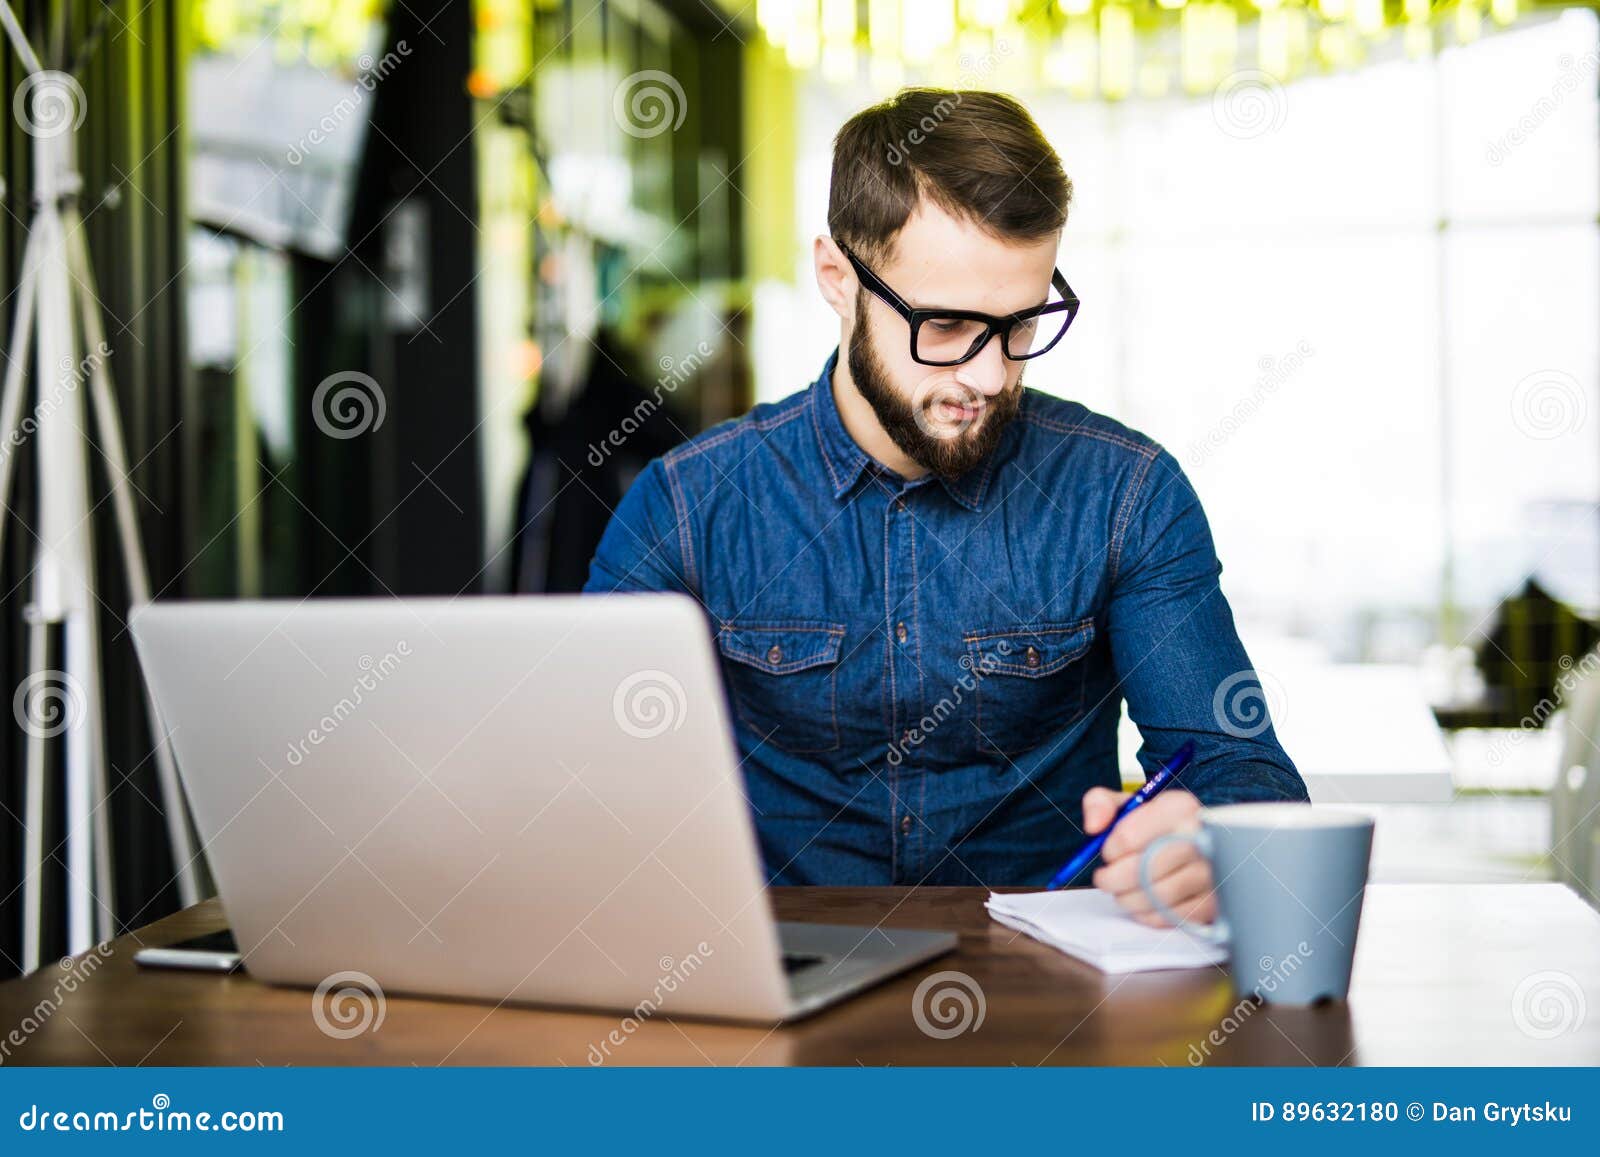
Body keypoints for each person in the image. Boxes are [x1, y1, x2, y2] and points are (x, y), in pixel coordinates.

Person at [584, 88, 1306, 925]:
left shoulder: (1126, 495)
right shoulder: (687, 506)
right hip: (777, 982)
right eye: (949, 324)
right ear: (838, 279)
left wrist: (1215, 843)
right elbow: (581, 790)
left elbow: (1246, 773)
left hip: (1048, 985)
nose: (990, 375)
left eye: (1022, 324)